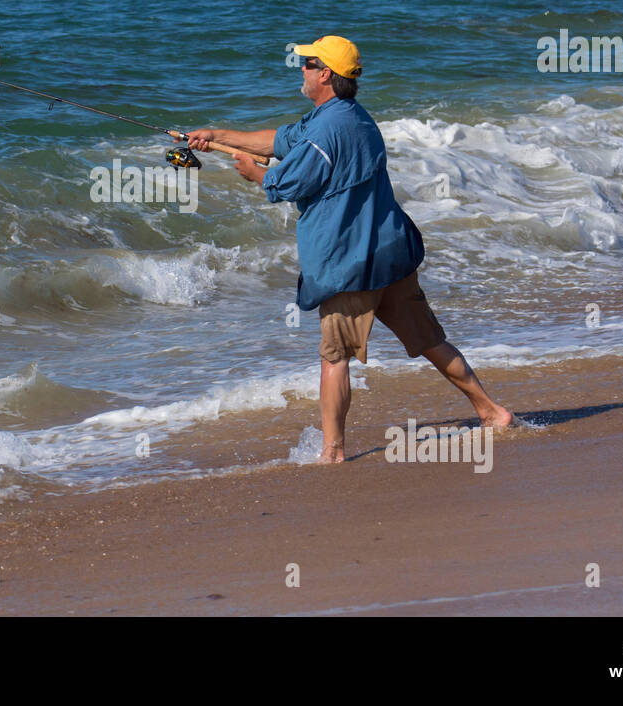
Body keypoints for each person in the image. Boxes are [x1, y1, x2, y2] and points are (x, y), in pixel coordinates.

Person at [188, 35, 513, 463]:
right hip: (390, 251)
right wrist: (219, 135)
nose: (300, 68)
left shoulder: (326, 129)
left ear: (325, 73)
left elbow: (287, 182)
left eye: (307, 63)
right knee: (431, 341)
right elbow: (280, 141)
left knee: (335, 357)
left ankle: (333, 451)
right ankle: (491, 411)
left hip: (350, 263)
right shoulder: (351, 117)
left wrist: (254, 175)